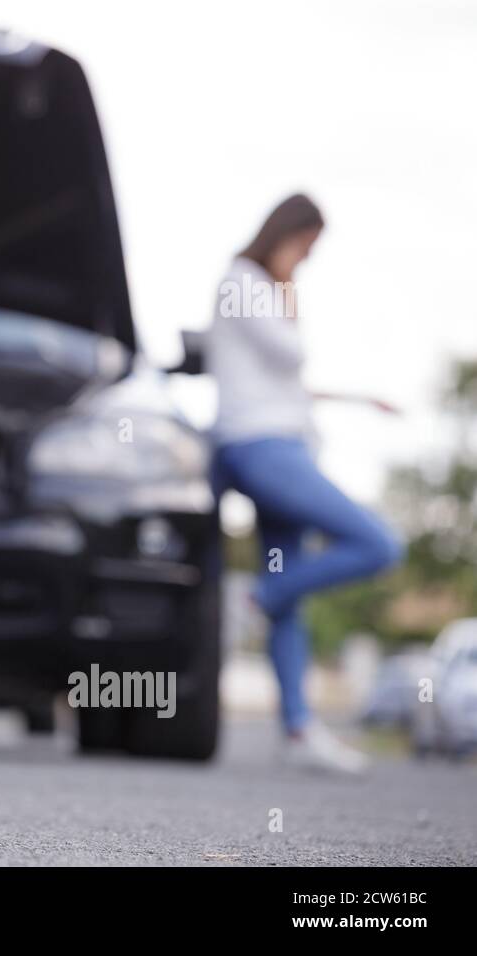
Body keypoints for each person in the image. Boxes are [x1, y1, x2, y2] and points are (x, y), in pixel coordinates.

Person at [207, 193, 402, 773]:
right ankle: (250, 599)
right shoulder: (243, 280)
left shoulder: (258, 288)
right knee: (378, 543)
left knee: (288, 591)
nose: (307, 260)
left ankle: (296, 729)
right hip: (260, 448)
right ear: (287, 233)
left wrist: (361, 399)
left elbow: (287, 383)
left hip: (280, 441)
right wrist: (288, 286)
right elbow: (288, 353)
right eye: (306, 246)